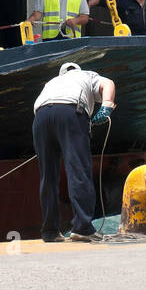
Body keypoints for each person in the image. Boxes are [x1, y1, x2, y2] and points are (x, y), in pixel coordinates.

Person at [32, 61, 116, 243]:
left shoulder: (52, 82)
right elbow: (108, 83)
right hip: (70, 110)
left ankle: (50, 231)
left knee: (48, 176)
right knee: (78, 170)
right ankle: (83, 228)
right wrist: (107, 106)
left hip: (41, 117)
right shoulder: (87, 75)